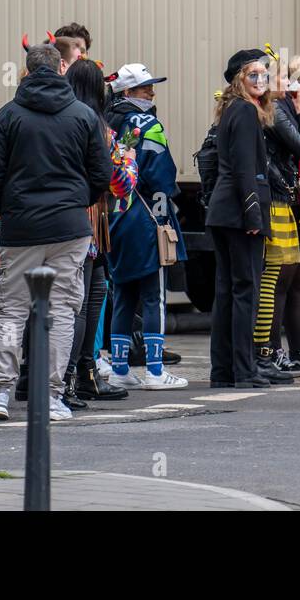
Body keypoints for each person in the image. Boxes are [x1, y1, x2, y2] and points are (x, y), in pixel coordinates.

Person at [0, 43, 112, 422]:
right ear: (60, 70)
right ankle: (53, 396)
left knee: (11, 311)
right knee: (62, 311)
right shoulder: (83, 115)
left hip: (21, 227)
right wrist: (76, 201)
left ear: (26, 71)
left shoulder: (8, 115)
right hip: (70, 228)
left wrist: (8, 207)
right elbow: (101, 173)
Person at [104, 62, 188, 390]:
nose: (152, 92)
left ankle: (120, 368)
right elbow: (161, 173)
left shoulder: (106, 120)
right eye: (144, 88)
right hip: (144, 215)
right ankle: (155, 370)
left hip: (114, 215)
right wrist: (166, 205)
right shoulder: (147, 122)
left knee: (124, 291)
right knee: (153, 295)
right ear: (128, 92)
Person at [64, 57, 135, 403]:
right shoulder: (96, 126)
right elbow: (120, 183)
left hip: (57, 222)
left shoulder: (61, 118)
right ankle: (76, 376)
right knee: (84, 301)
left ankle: (64, 375)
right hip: (88, 223)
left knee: (71, 300)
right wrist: (129, 160)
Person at [206, 50, 273, 389]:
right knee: (246, 290)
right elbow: (246, 169)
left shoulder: (232, 109)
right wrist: (253, 214)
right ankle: (244, 370)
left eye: (265, 74)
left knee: (227, 291)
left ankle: (224, 370)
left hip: (223, 210)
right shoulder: (245, 111)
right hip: (239, 211)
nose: (262, 80)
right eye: (254, 75)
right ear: (239, 80)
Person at [258, 60, 300, 381]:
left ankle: (289, 351)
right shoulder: (280, 110)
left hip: (289, 199)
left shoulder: (284, 109)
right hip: (281, 200)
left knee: (291, 280)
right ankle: (272, 352)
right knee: (278, 281)